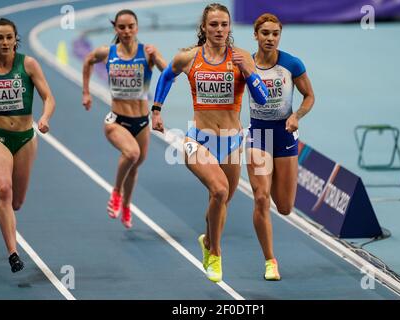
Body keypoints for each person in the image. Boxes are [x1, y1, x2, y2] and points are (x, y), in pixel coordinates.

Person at [151, 3, 268, 283]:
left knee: (222, 199)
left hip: (231, 141)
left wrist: (250, 74)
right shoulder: (188, 57)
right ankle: (215, 252)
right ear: (203, 27)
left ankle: (207, 240)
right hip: (198, 140)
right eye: (213, 25)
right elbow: (167, 75)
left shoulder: (241, 58)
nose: (219, 30)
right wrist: (156, 109)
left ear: (229, 28)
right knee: (218, 190)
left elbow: (263, 99)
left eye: (224, 25)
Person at [246, 13, 315, 280]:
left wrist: (297, 115)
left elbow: (309, 95)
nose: (270, 38)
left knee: (285, 207)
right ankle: (270, 261)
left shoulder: (292, 64)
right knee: (261, 197)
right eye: (265, 33)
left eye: (275, 33)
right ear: (256, 35)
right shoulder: (247, 64)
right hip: (258, 134)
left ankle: (274, 184)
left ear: (280, 36)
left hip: (284, 135)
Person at [82, 9, 166, 228]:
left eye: (131, 26)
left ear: (137, 28)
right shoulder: (107, 52)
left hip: (142, 122)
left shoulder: (146, 53)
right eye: (122, 27)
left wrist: (156, 56)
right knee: (131, 153)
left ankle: (127, 206)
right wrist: (86, 92)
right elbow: (88, 60)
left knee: (135, 166)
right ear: (115, 29)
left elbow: (168, 73)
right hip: (116, 120)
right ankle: (116, 192)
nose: (127, 31)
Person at [0, 18, 55, 272]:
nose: (5, 42)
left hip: (25, 138)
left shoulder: (28, 64)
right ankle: (13, 253)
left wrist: (45, 117)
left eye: (9, 37)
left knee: (16, 202)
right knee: (4, 189)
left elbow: (49, 97)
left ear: (15, 38)